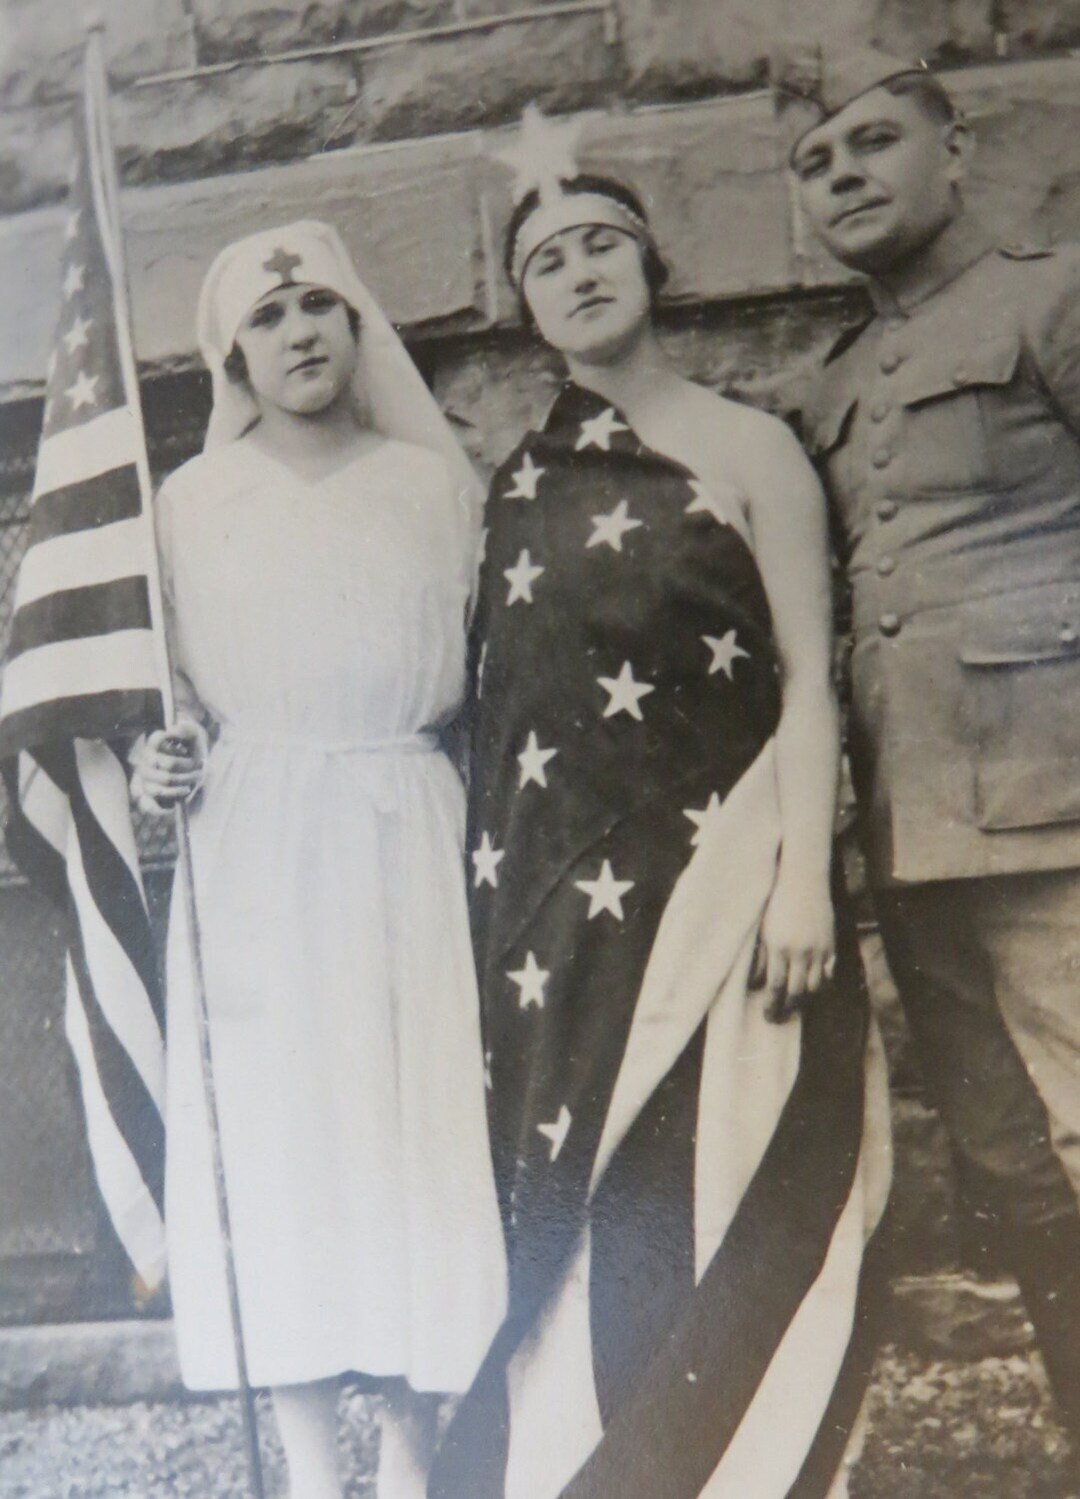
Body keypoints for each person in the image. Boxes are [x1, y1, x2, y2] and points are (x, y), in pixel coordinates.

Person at [429, 114, 891, 1499]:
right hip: (568, 915)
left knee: (741, 1170)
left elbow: (812, 673)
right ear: (524, 309)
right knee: (596, 1205)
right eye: (545, 261)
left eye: (600, 245)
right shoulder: (517, 486)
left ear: (654, 265)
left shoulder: (755, 444)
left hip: (736, 878)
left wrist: (805, 872)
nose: (577, 272)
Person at [129, 220, 506, 1499]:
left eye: (324, 312)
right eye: (269, 321)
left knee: (412, 1121)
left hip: (404, 821)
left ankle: (409, 1444)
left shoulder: (432, 488)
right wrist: (160, 757)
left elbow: (488, 673)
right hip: (256, 836)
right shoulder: (187, 505)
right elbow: (167, 693)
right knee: (283, 1136)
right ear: (234, 354)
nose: (300, 336)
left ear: (359, 330)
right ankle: (304, 1457)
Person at [780, 45, 1080, 1444]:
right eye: (814, 162)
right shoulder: (832, 378)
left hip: (1057, 804)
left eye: (872, 142)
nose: (843, 173)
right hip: (913, 825)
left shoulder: (1052, 296)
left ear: (954, 150)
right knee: (1011, 1159)